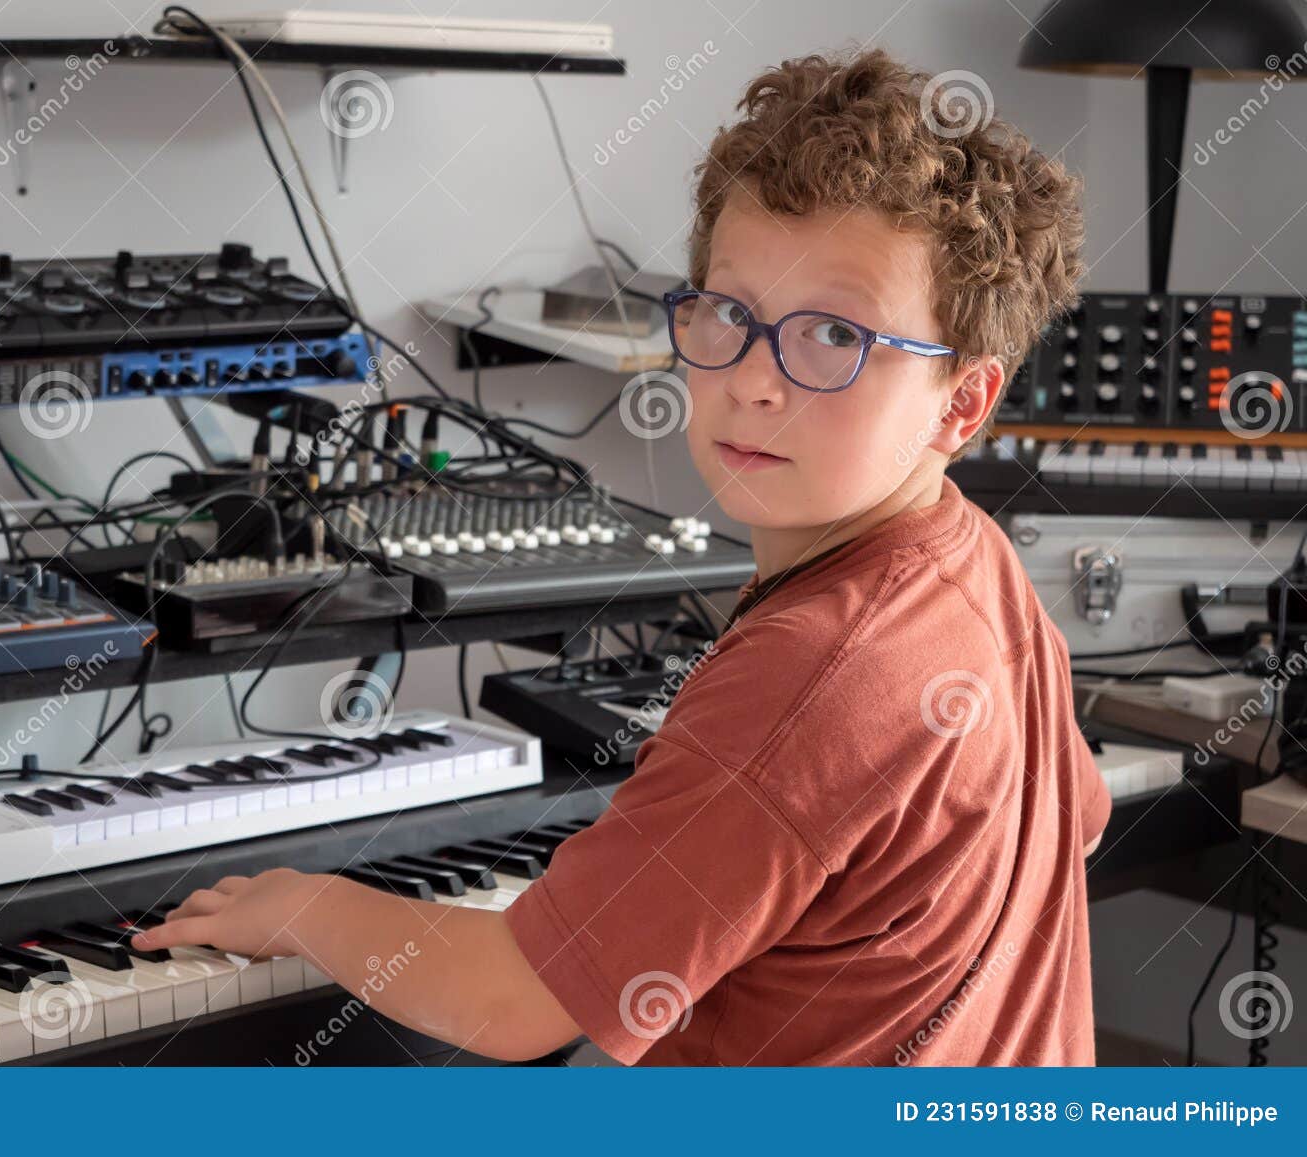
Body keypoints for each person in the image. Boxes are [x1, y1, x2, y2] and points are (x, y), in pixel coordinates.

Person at [133, 47, 1109, 1066]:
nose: (754, 381)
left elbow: (512, 1003)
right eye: (730, 312)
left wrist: (310, 904)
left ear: (960, 402)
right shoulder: (973, 563)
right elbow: (1073, 820)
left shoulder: (813, 669)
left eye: (831, 334)